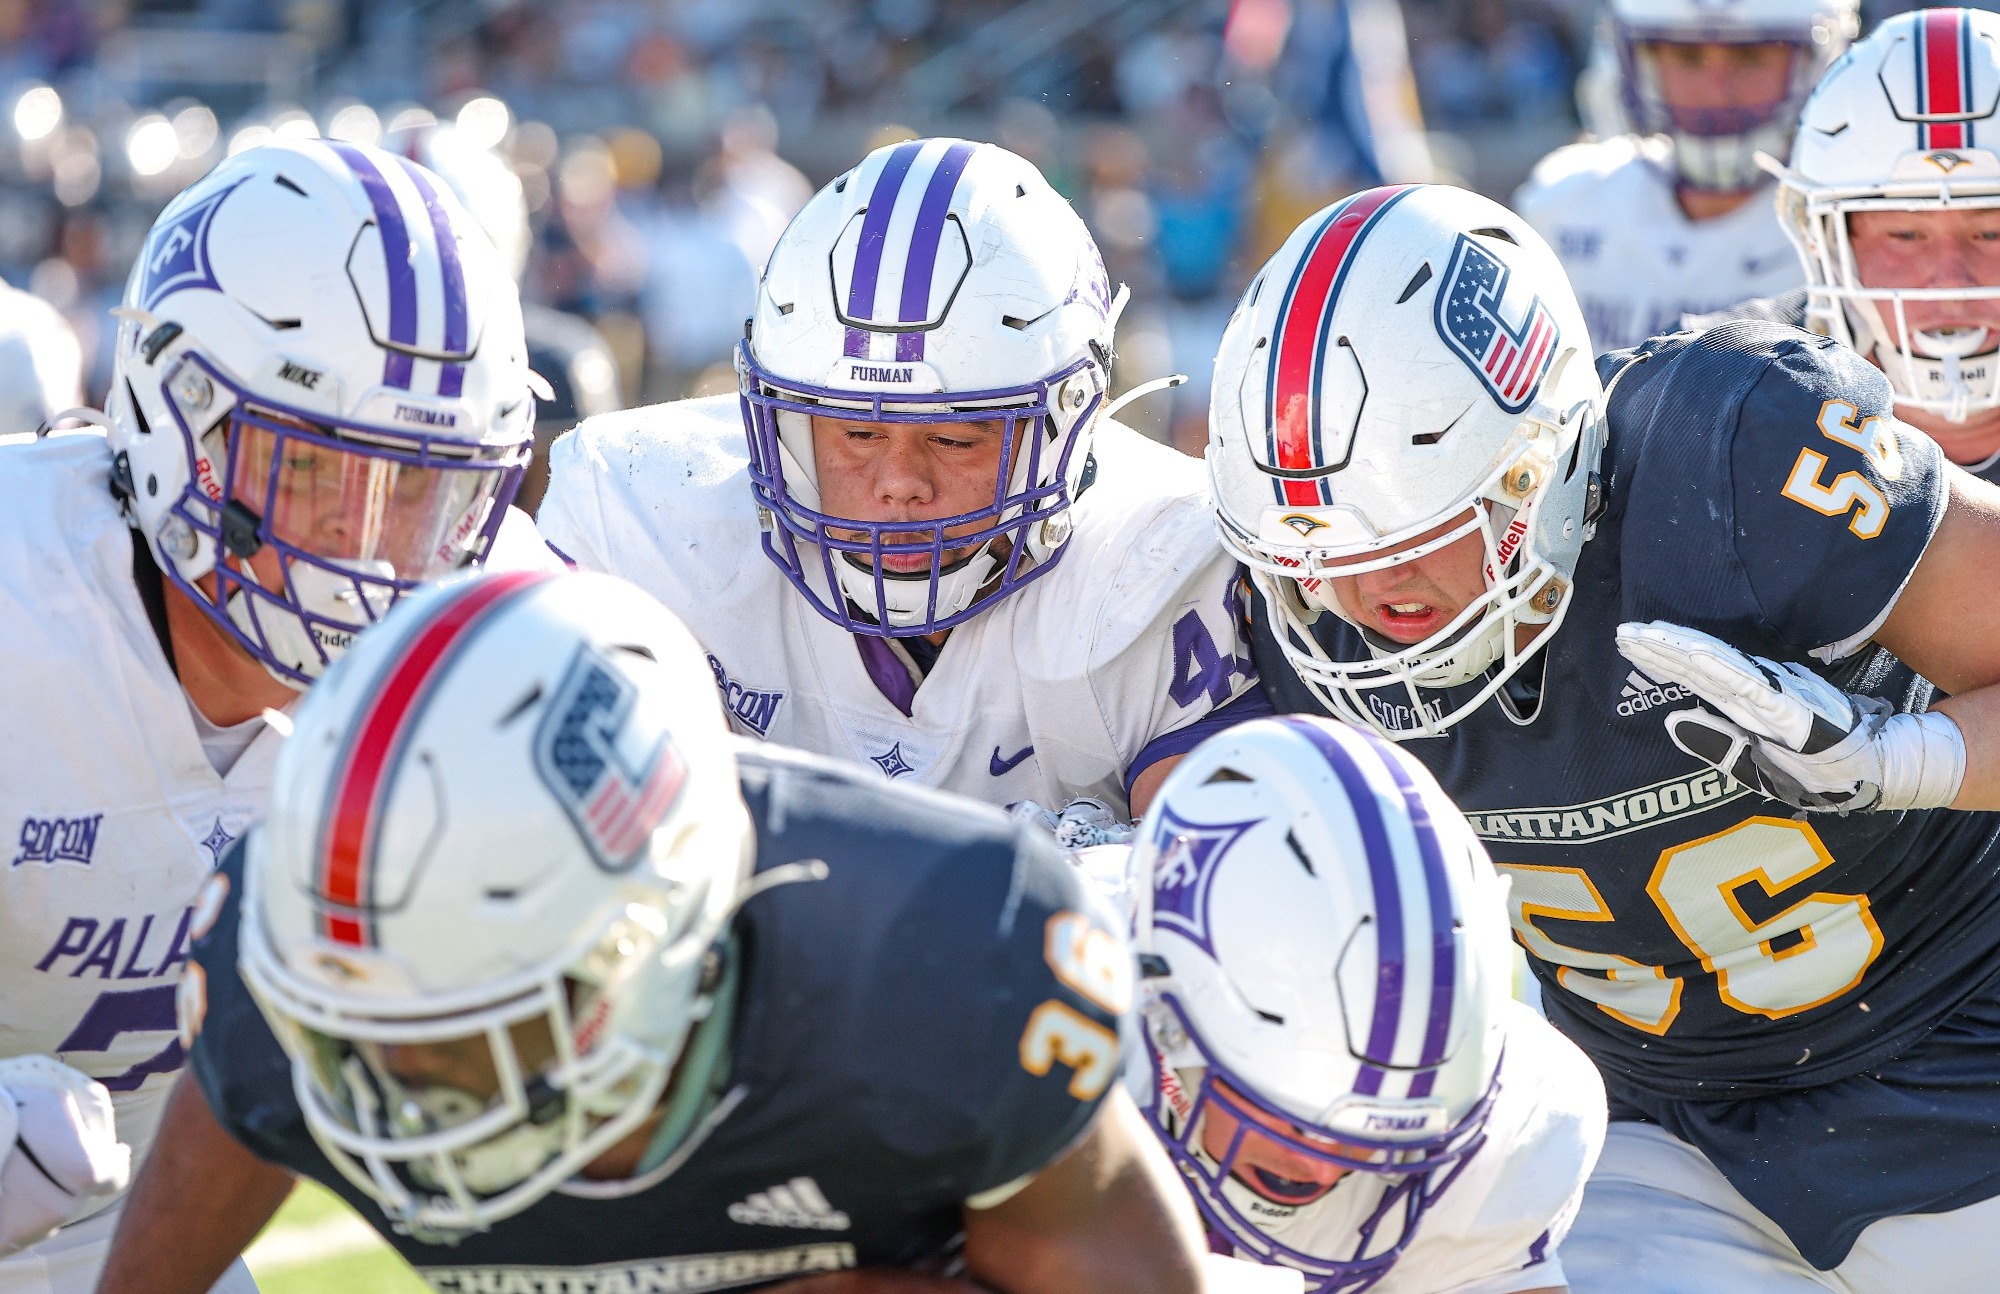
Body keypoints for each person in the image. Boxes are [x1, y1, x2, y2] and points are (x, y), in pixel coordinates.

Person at [1207, 181, 2000, 1289]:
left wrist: (1888, 761)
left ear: (1547, 458)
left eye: (1433, 532)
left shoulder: (1727, 456)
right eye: (1313, 556)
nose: (1370, 590)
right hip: (1647, 1129)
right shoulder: (1287, 615)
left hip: (1960, 1042)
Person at [96, 569, 1209, 1294]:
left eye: (476, 1028)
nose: (411, 1093)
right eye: (360, 1034)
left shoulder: (939, 955)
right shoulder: (273, 989)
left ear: (668, 925)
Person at [0, 138, 550, 1294]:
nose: (372, 550)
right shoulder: (21, 617)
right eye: (311, 471)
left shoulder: (504, 646)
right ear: (169, 418)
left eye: (419, 486)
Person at [537, 138, 1256, 821]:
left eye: (953, 437)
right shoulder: (645, 511)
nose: (900, 482)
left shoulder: (1161, 565)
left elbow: (1201, 901)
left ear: (1066, 424)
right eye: (857, 433)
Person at [1106, 715, 1604, 1294]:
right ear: (1167, 1020)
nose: (1324, 1169)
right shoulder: (1036, 1023)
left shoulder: (1514, 1120)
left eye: (1375, 1136)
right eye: (1295, 1118)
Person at [1699, 7, 2000, 487]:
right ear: (1831, 246)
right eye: (1905, 234)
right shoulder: (1726, 379)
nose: (1950, 278)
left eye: (1991, 234)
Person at [1513, 0, 1856, 352]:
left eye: (1750, 57)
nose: (1716, 91)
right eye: (1688, 58)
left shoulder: (1849, 225)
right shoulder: (1565, 202)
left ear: (1816, 61)